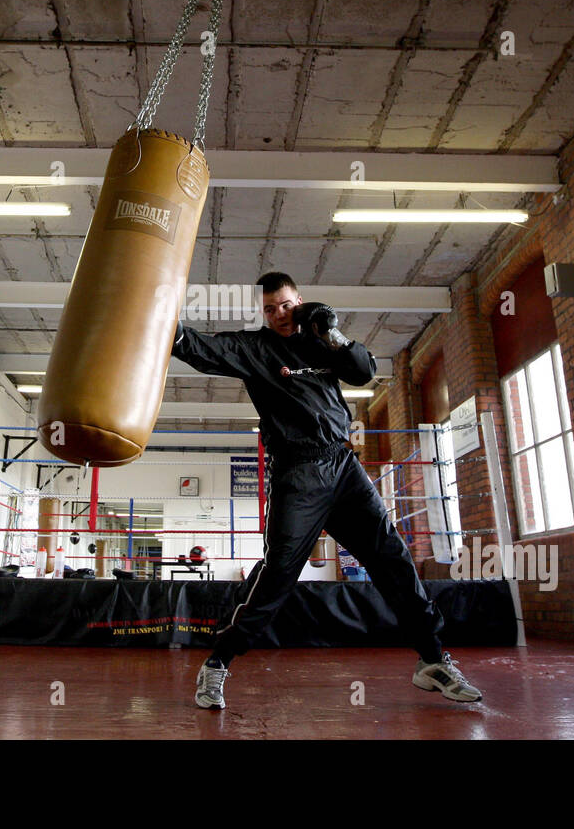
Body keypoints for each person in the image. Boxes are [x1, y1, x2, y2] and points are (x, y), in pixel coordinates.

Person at [171, 271, 482, 709]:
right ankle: (218, 663)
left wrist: (333, 334)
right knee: (278, 575)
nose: (279, 314)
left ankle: (432, 659)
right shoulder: (255, 349)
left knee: (392, 558)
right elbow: (200, 349)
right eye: (269, 309)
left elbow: (365, 372)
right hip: (298, 475)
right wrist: (160, 319)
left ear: (299, 300)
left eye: (284, 304)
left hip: (344, 466)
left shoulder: (321, 342)